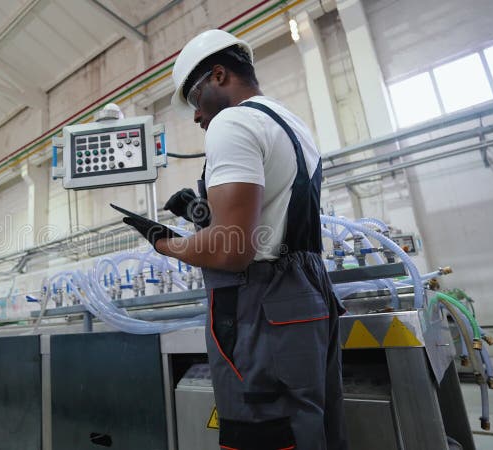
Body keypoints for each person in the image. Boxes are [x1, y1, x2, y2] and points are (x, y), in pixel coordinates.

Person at [121, 30, 347, 450]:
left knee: (264, 433)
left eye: (193, 99)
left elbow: (232, 249)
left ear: (219, 75)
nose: (195, 116)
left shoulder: (232, 121)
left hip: (261, 308)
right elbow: (276, 217)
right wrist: (198, 212)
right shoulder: (290, 123)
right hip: (305, 293)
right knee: (308, 428)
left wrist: (162, 241)